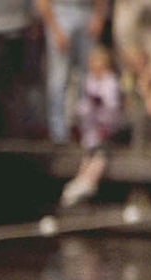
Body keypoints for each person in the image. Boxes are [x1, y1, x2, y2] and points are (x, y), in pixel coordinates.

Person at [59, 44, 126, 206]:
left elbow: (112, 107)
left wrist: (96, 106)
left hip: (111, 128)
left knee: (100, 153)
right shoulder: (90, 80)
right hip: (93, 129)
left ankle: (89, 182)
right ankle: (81, 180)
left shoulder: (112, 82)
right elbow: (84, 107)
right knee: (89, 153)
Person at [37, 0, 111, 142]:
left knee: (89, 77)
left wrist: (99, 16)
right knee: (59, 78)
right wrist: (54, 28)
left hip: (87, 11)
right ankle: (58, 134)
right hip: (61, 12)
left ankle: (87, 129)